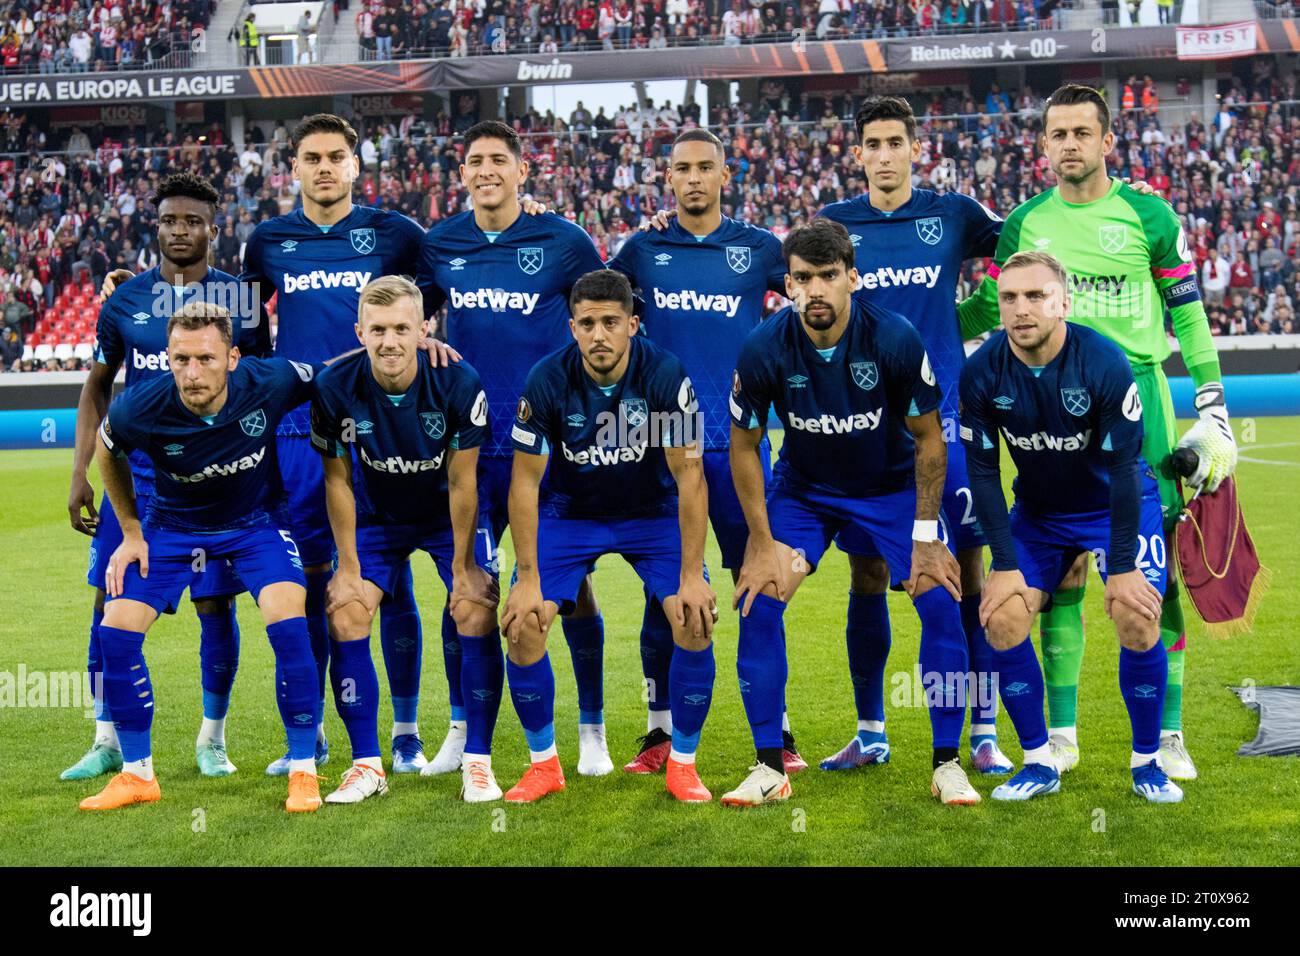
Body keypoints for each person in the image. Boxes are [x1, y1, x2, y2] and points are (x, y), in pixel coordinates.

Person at [958, 84, 1237, 781]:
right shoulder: (1023, 223)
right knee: (1062, 574)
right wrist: (918, 324)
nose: (1071, 144)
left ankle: (1166, 735)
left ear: (1107, 141)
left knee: (1152, 576)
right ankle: (1059, 736)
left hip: (1133, 392)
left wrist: (1213, 404)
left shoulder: (1147, 212)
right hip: (1043, 398)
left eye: (1084, 131)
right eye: (1059, 133)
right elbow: (991, 305)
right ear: (1044, 143)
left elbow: (1190, 313)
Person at [726, 219, 977, 807]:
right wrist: (761, 541)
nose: (815, 290)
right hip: (806, 491)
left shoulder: (892, 338)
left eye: (828, 277)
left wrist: (923, 536)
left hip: (890, 491)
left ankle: (948, 764)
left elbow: (930, 440)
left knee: (939, 598)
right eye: (802, 279)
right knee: (758, 599)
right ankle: (769, 767)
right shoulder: (765, 346)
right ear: (787, 284)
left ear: (852, 278)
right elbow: (743, 443)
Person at [817, 96, 1012, 774]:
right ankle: (871, 731)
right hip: (865, 431)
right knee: (867, 573)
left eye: (895, 140)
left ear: (913, 148)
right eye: (873, 142)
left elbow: (1022, 243)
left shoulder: (953, 214)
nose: (885, 153)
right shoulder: (836, 225)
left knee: (964, 572)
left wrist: (982, 313)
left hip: (949, 426)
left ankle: (981, 730)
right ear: (859, 153)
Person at [416, 121, 615, 778]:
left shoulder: (562, 240)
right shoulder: (439, 243)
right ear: (462, 171)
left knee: (572, 584)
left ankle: (590, 729)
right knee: (464, 588)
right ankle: (461, 729)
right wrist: (424, 337)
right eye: (475, 160)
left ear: (522, 170)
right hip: (467, 450)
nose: (486, 170)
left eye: (499, 159)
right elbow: (406, 317)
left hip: (547, 449)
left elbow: (608, 314)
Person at [64, 173, 270, 784]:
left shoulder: (241, 303)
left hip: (212, 486)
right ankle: (106, 737)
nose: (179, 231)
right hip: (136, 486)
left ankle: (213, 737)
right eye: (168, 221)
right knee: (108, 603)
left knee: (214, 606)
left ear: (215, 227)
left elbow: (258, 389)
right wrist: (79, 473)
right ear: (155, 227)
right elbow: (97, 389)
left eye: (192, 221)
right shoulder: (123, 302)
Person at [81, 303, 325, 813]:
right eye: (180, 359)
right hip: (172, 528)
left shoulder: (271, 381)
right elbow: (107, 451)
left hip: (255, 524)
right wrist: (129, 532)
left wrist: (407, 347)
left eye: (206, 359)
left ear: (233, 357)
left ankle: (303, 769)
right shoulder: (139, 407)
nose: (192, 373)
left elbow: (334, 373)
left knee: (288, 619)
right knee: (115, 627)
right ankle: (136, 774)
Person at [609, 128, 800, 775]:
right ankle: (659, 732)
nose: (693, 179)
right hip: (661, 451)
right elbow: (599, 319)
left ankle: (776, 734)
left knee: (759, 587)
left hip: (741, 447)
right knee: (661, 593)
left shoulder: (759, 249)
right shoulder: (641, 249)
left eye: (705, 168)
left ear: (726, 175)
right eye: (682, 169)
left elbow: (813, 297)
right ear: (668, 180)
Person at [959, 250, 1182, 804]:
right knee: (1003, 618)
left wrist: (1124, 566)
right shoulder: (982, 372)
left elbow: (1127, 471)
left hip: (1114, 508)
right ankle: (1038, 761)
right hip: (1039, 514)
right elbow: (984, 475)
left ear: (1063, 302)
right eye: (1009, 298)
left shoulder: (1103, 363)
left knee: (1137, 614)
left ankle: (1148, 763)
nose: (1021, 308)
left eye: (1035, 296)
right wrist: (1005, 565)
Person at [500, 269, 716, 803]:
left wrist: (692, 575)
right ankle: (544, 764)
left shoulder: (666, 374)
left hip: (652, 510)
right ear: (572, 327)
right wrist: (526, 579)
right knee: (524, 622)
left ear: (633, 325)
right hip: (571, 513)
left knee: (694, 617)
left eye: (611, 323)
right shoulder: (547, 379)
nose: (599, 334)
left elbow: (691, 475)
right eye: (588, 323)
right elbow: (525, 482)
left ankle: (683, 764)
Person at [311, 276, 503, 803]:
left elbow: (464, 480)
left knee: (475, 607)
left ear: (425, 328)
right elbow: (338, 478)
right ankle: (366, 765)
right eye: (378, 329)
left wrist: (465, 565)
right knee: (347, 608)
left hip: (448, 517)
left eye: (401, 328)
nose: (390, 341)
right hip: (378, 518)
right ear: (360, 332)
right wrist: (347, 567)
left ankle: (478, 761)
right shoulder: (335, 386)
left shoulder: (458, 382)